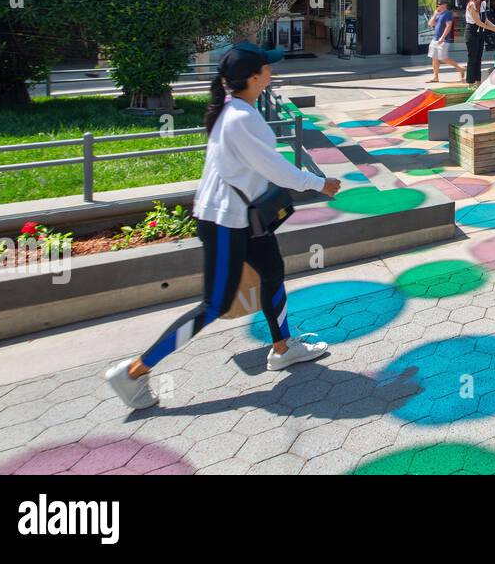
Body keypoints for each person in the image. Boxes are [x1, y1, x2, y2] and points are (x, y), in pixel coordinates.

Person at [105, 44, 343, 412]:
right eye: (266, 67)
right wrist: (319, 183)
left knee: (272, 271)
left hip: (243, 217)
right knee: (214, 304)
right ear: (253, 78)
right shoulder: (240, 119)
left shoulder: (234, 109)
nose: (272, 72)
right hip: (224, 222)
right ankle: (135, 371)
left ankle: (282, 348)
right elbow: (276, 169)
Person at [426, 0, 464, 83]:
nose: (437, 6)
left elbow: (448, 26)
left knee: (443, 58)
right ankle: (436, 77)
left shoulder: (448, 14)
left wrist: (442, 37)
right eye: (437, 4)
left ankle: (460, 68)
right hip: (435, 39)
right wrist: (435, 14)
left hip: (443, 40)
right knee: (434, 58)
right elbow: (430, 24)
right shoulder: (438, 14)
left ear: (444, 5)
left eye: (439, 4)